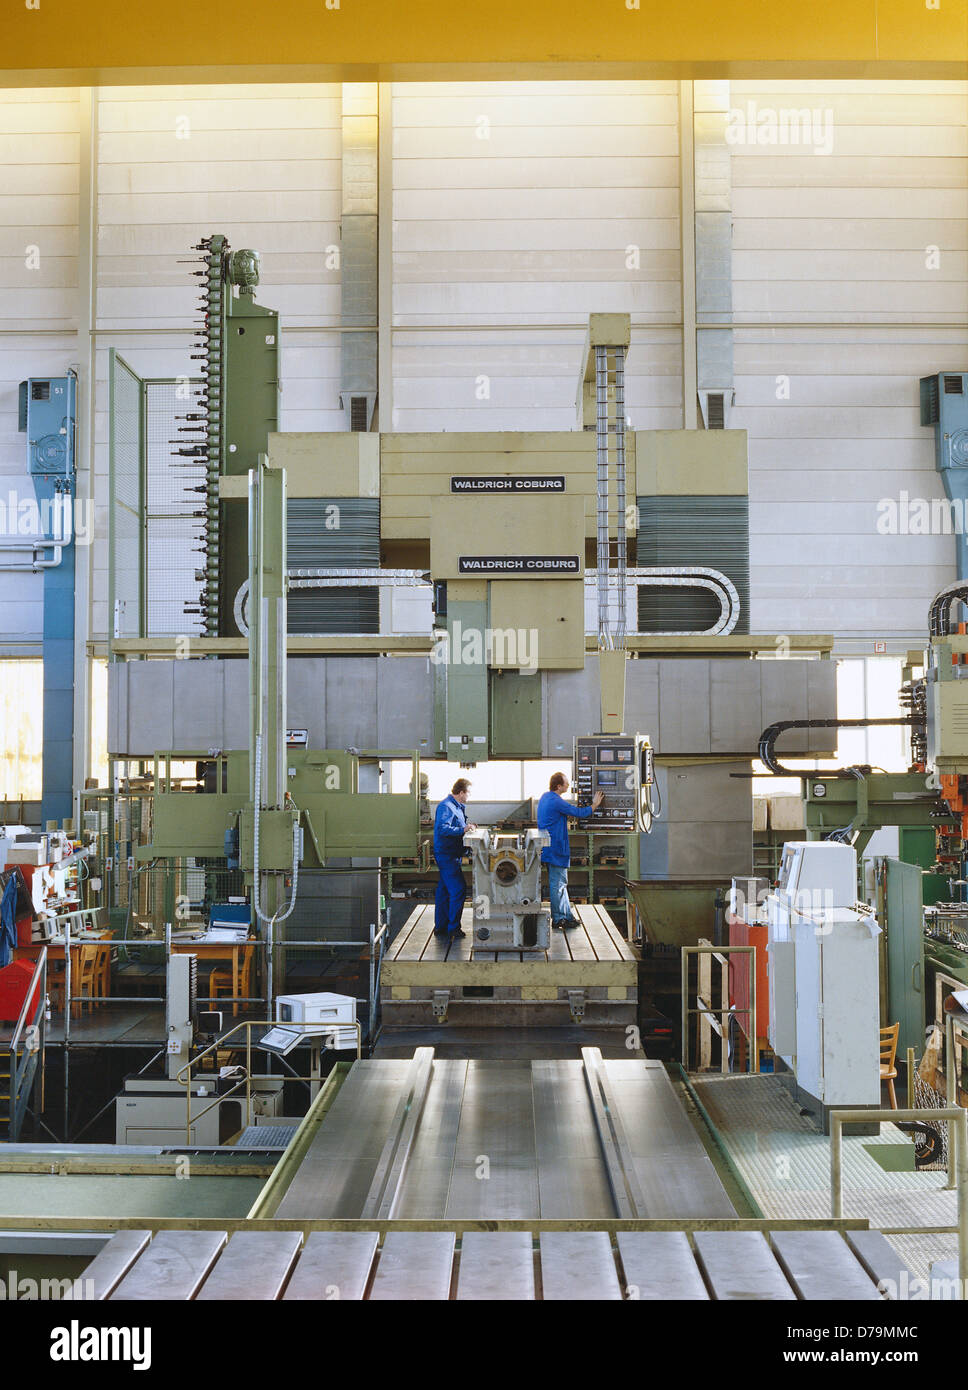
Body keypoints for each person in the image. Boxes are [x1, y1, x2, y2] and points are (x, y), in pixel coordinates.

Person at [537, 771, 603, 930]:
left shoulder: (546, 797)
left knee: (561, 884)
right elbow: (579, 813)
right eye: (566, 783)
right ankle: (559, 918)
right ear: (559, 786)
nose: (568, 785)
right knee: (557, 884)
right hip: (556, 848)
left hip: (550, 848)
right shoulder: (555, 801)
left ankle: (567, 916)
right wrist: (594, 804)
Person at [433, 778, 477, 939]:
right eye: (468, 793)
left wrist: (467, 827)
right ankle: (453, 928)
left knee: (444, 891)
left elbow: (456, 826)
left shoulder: (456, 806)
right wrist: (464, 828)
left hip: (453, 854)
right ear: (461, 792)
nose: (469, 796)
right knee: (458, 889)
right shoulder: (446, 806)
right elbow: (443, 829)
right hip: (446, 855)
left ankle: (441, 927)